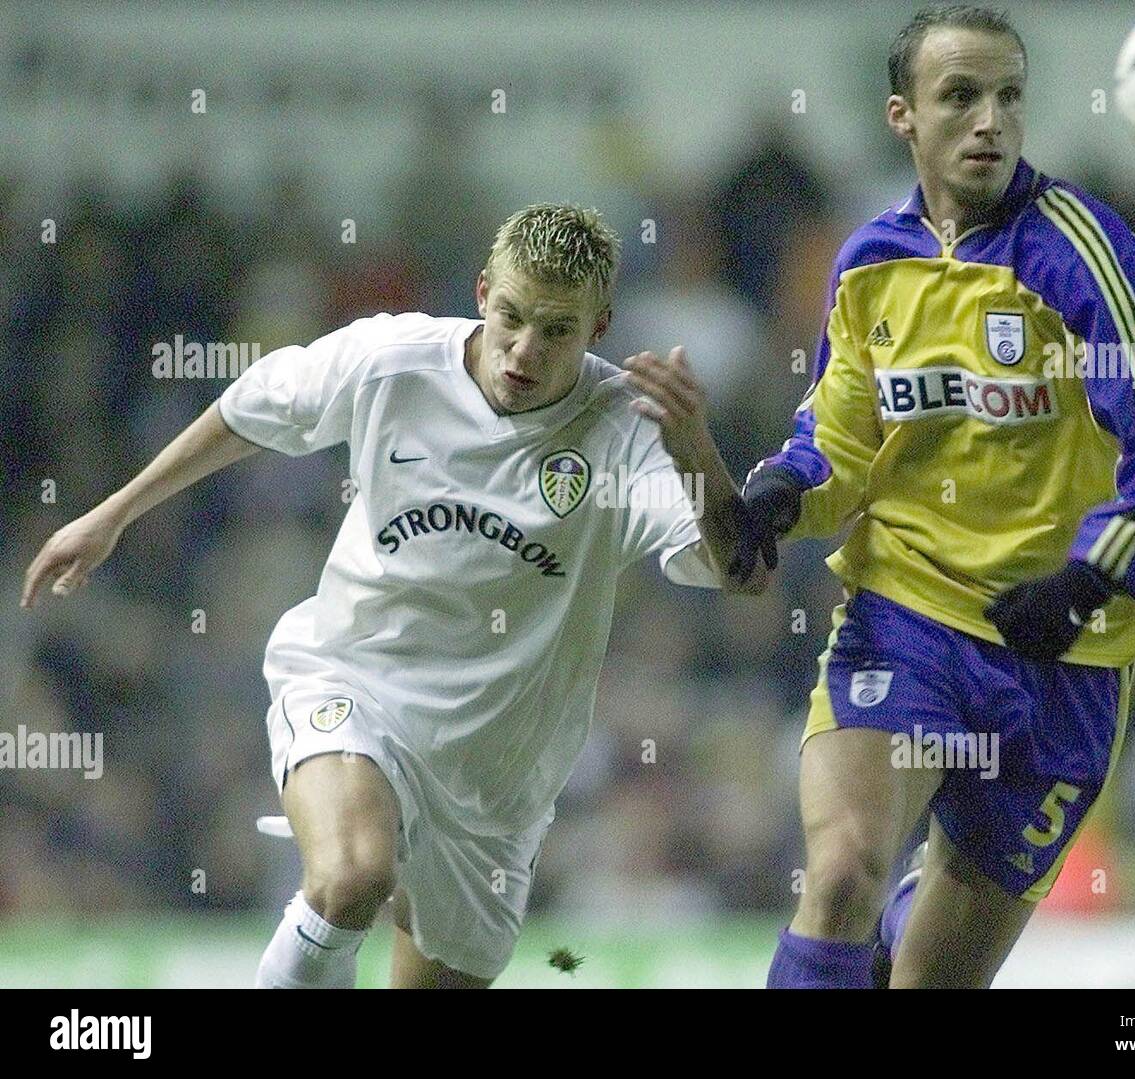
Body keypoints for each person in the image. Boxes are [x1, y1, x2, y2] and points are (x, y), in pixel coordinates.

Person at [21, 203, 769, 988]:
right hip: (355, 682)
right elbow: (249, 410)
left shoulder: (625, 429)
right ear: (483, 291)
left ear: (600, 326)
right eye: (511, 317)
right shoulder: (391, 359)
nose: (523, 351)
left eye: (556, 330)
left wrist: (696, 447)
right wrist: (113, 514)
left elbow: (742, 572)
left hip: (495, 785)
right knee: (351, 876)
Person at [734, 5, 1135, 988]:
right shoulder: (871, 263)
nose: (988, 120)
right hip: (906, 618)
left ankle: (912, 917)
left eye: (1008, 96)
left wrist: (1085, 580)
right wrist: (783, 488)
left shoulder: (1087, 257)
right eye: (958, 96)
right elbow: (839, 435)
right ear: (902, 118)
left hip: (1061, 658)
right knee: (837, 874)